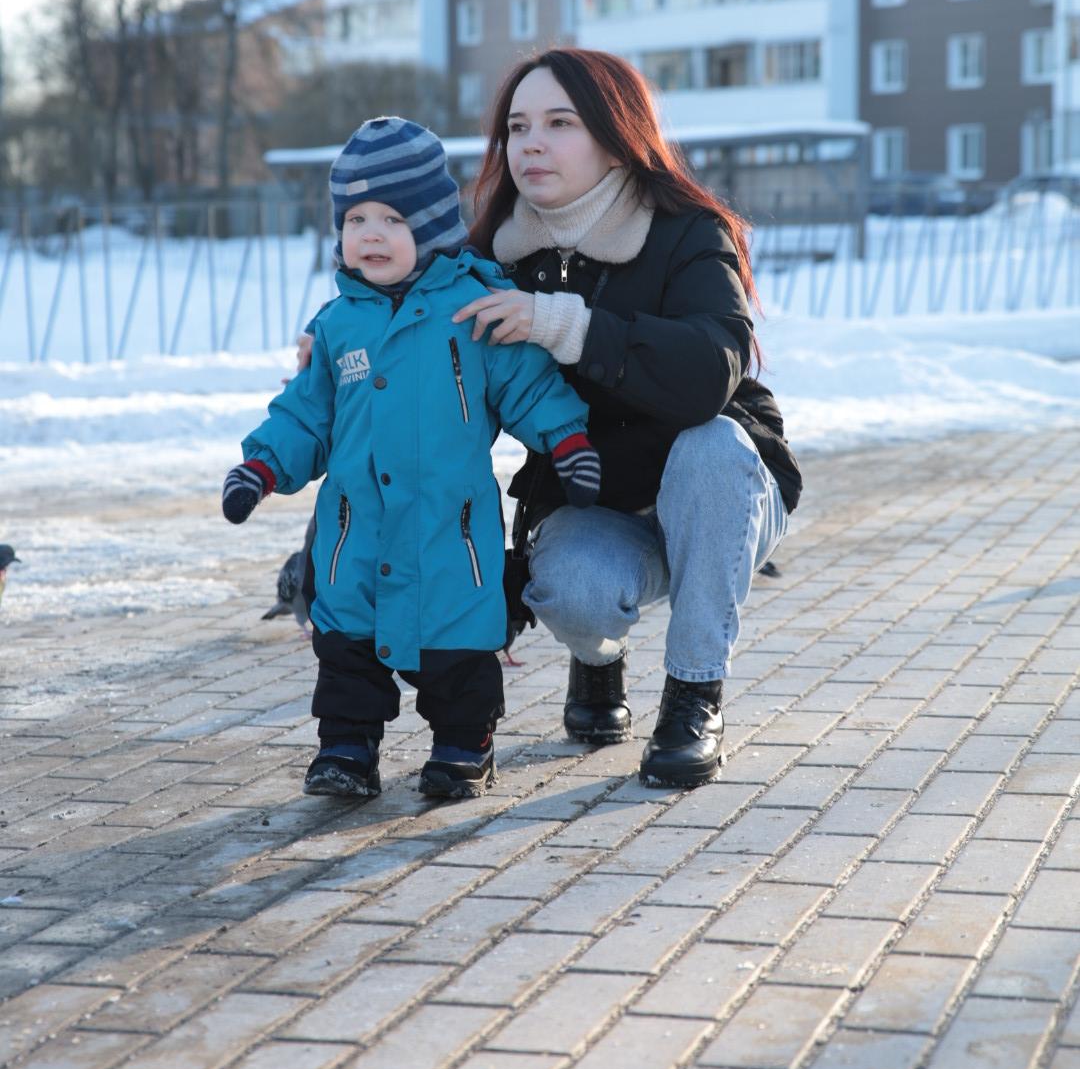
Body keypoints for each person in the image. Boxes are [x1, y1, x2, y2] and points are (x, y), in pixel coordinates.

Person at [222, 117, 600, 801]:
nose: (369, 233)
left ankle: (464, 747)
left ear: (429, 226)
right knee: (347, 656)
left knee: (457, 660)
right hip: (354, 540)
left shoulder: (474, 311)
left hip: (449, 541)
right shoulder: (338, 326)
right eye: (356, 218)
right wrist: (262, 466)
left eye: (391, 218)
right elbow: (306, 413)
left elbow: (528, 386)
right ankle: (345, 749)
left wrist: (568, 442)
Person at [453, 48, 801, 789]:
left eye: (558, 123)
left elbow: (711, 371)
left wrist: (565, 324)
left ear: (615, 135)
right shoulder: (492, 258)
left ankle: (693, 697)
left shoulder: (686, 230)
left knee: (708, 447)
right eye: (516, 127)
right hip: (598, 501)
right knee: (572, 588)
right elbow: (433, 387)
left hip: (722, 488)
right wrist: (343, 352)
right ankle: (597, 658)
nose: (531, 144)